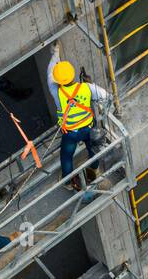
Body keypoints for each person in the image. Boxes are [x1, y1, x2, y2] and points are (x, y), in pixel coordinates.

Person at [47, 45, 110, 191]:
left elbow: (50, 72)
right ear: (73, 74)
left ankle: (68, 182)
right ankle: (94, 172)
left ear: (58, 81)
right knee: (92, 149)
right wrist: (89, 84)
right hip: (88, 128)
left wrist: (55, 53)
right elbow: (106, 96)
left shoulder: (55, 91)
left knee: (67, 156)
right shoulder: (87, 88)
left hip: (71, 133)